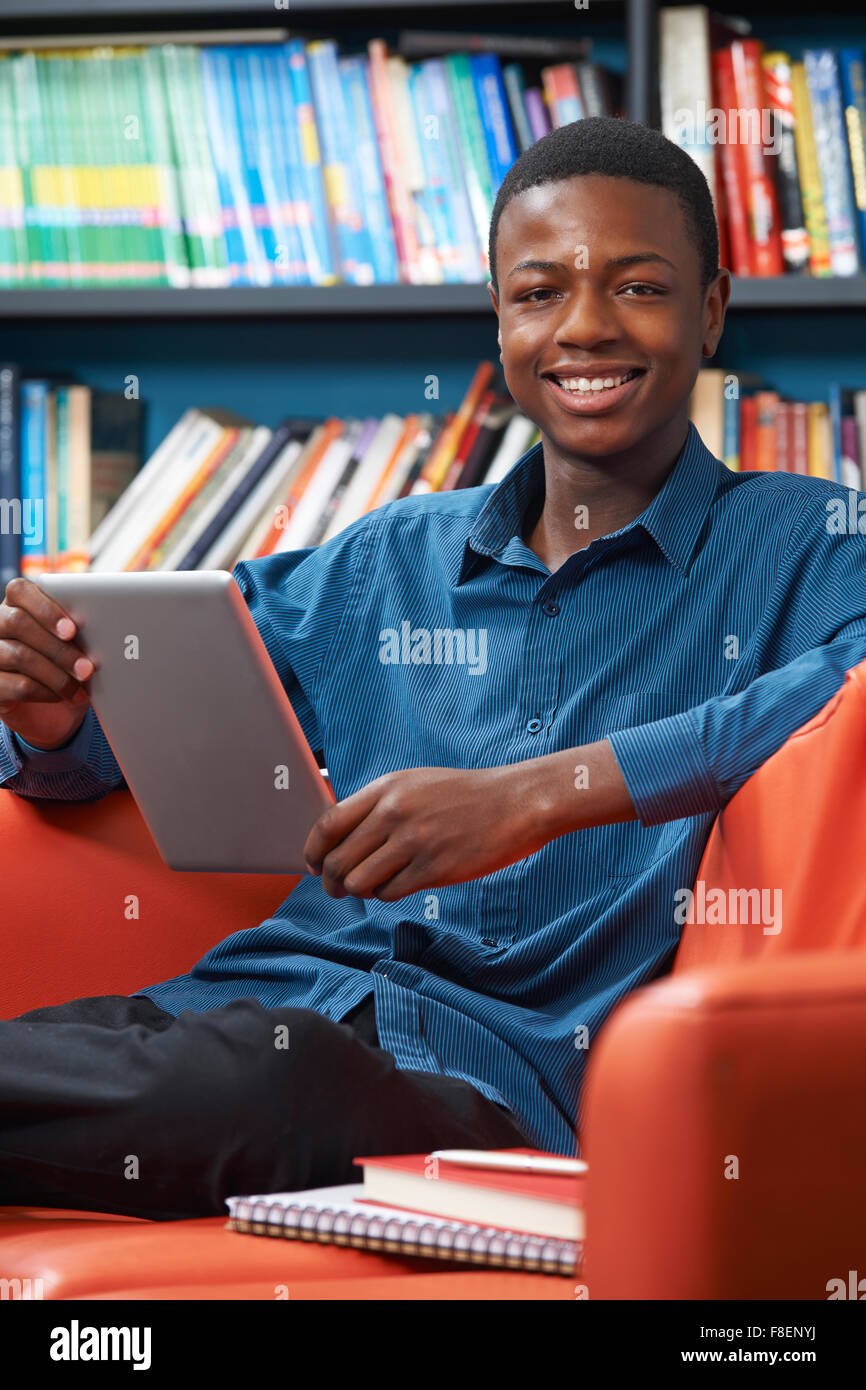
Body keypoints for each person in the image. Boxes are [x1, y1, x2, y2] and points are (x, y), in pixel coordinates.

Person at [2, 117, 864, 1220]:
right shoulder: (389, 558)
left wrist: (535, 797)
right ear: (498, 322)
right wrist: (53, 718)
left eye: (638, 288)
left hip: (481, 1091)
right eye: (538, 292)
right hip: (235, 1010)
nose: (583, 328)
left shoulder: (805, 539)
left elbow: (844, 692)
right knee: (142, 1049)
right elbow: (125, 729)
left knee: (280, 1081)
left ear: (708, 311)